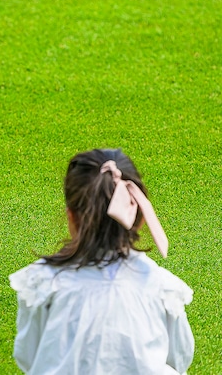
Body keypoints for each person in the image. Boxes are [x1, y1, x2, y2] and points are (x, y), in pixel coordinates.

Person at [10, 148, 193, 374]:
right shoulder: (161, 288)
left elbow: (28, 356)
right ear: (139, 216)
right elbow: (179, 358)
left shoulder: (43, 282)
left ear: (71, 216)